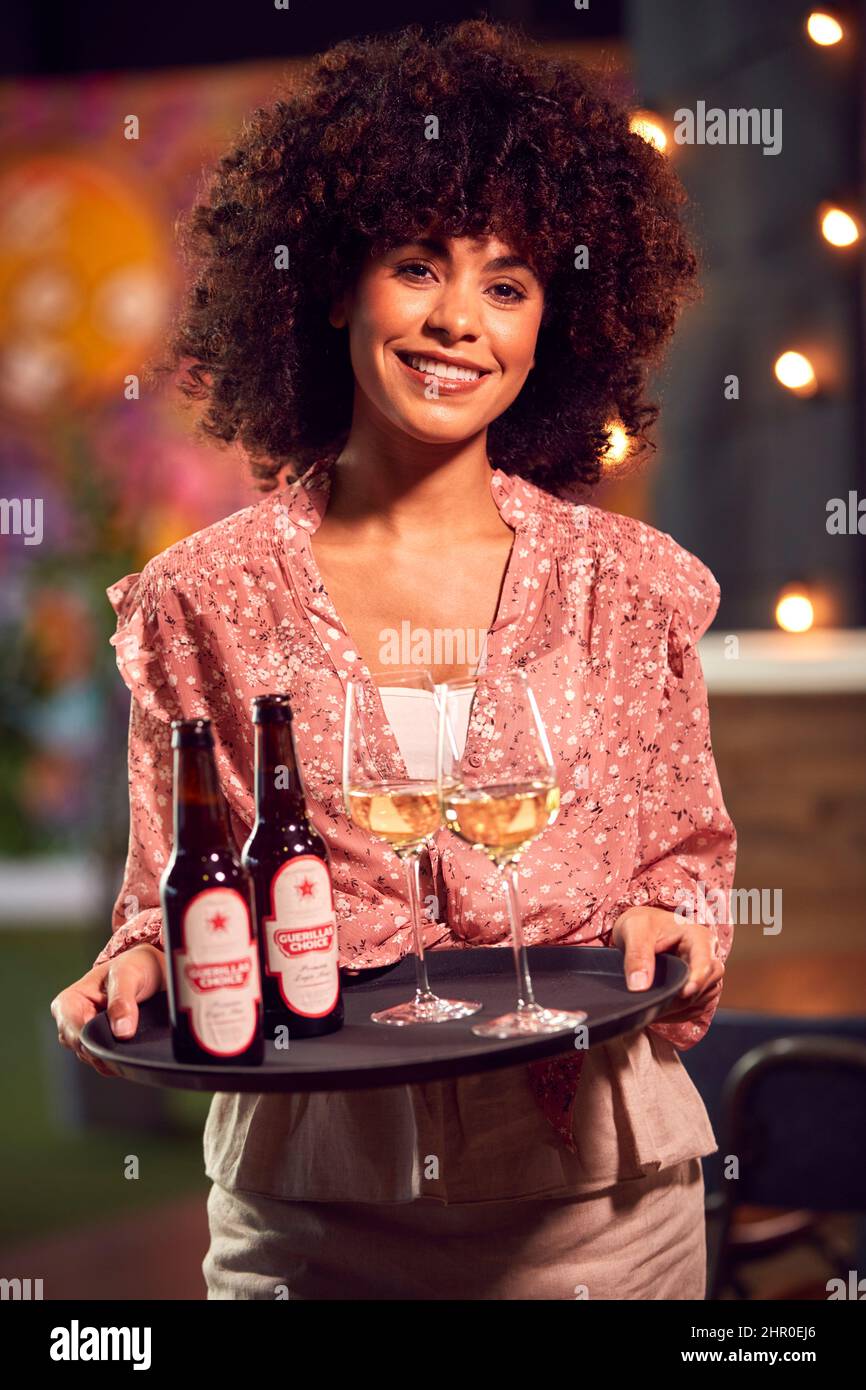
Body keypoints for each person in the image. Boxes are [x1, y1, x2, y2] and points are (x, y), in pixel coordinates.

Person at [51, 19, 737, 1300]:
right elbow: (166, 896)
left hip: (594, 1205)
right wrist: (132, 966)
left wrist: (677, 925)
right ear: (326, 284)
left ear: (555, 325)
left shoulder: (622, 587)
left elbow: (688, 866)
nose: (456, 321)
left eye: (508, 284)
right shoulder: (203, 597)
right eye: (417, 265)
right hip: (314, 1213)